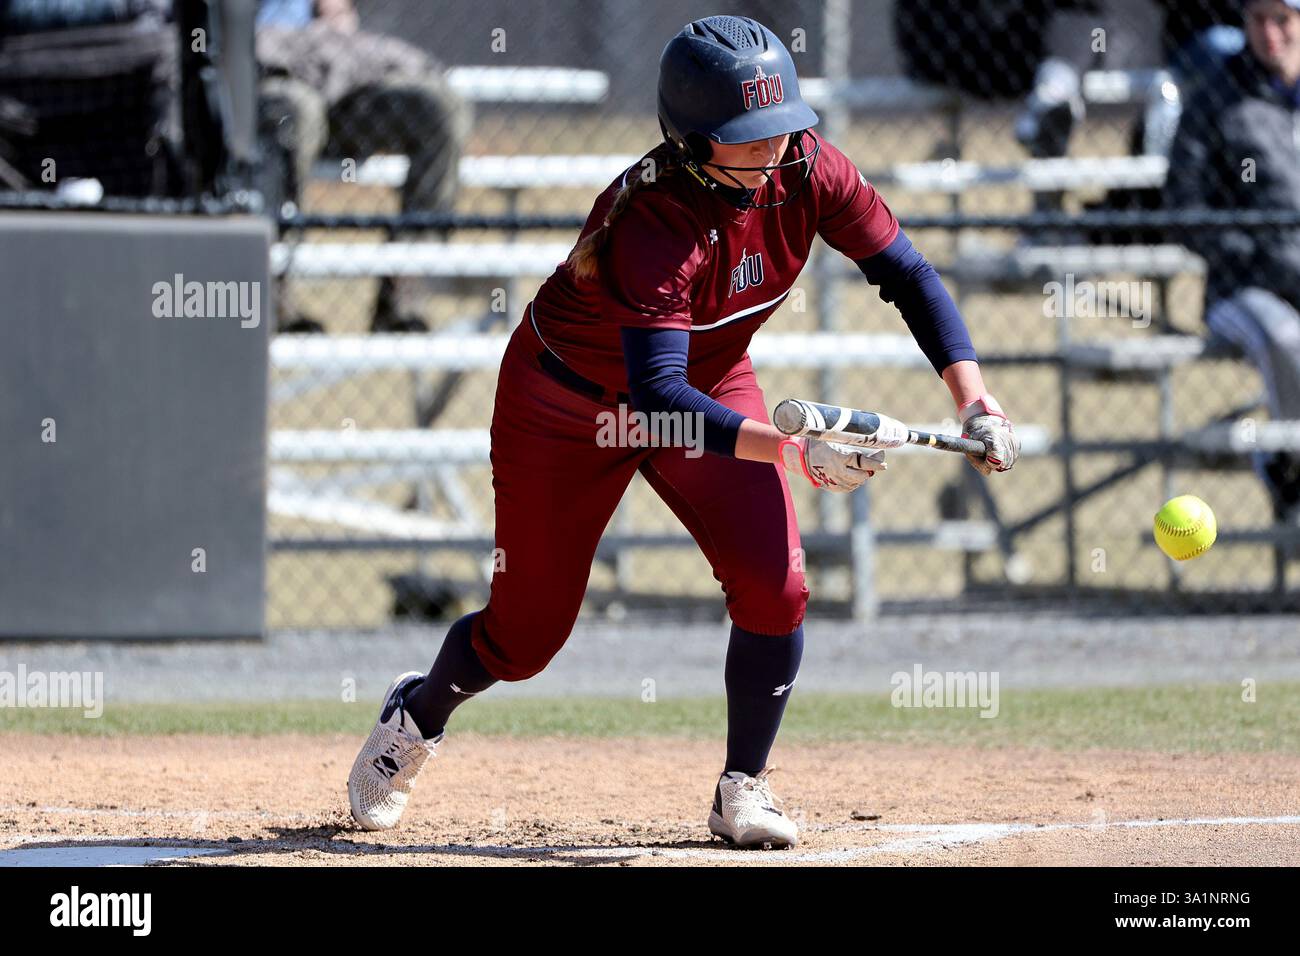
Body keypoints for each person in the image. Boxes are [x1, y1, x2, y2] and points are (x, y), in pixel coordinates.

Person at [345, 16, 1020, 849]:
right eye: (748, 135)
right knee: (525, 638)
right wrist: (795, 449)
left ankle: (744, 787)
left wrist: (975, 399)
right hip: (568, 405)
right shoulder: (655, 218)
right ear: (694, 141)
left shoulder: (811, 167)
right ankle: (418, 712)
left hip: (706, 380)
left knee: (777, 588)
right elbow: (655, 395)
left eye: (783, 125)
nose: (774, 147)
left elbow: (907, 273)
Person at [1164, 0, 1300, 525]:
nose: (1269, 34)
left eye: (1283, 20)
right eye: (1257, 20)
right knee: (1284, 335)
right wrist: (1260, 254)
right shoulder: (1217, 96)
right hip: (1242, 287)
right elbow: (1185, 205)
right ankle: (1290, 466)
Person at [256, 0, 470, 332]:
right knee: (298, 109)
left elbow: (338, 17)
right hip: (261, 85)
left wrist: (334, 18)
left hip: (335, 78)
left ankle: (404, 294)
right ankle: (273, 297)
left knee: (440, 109)